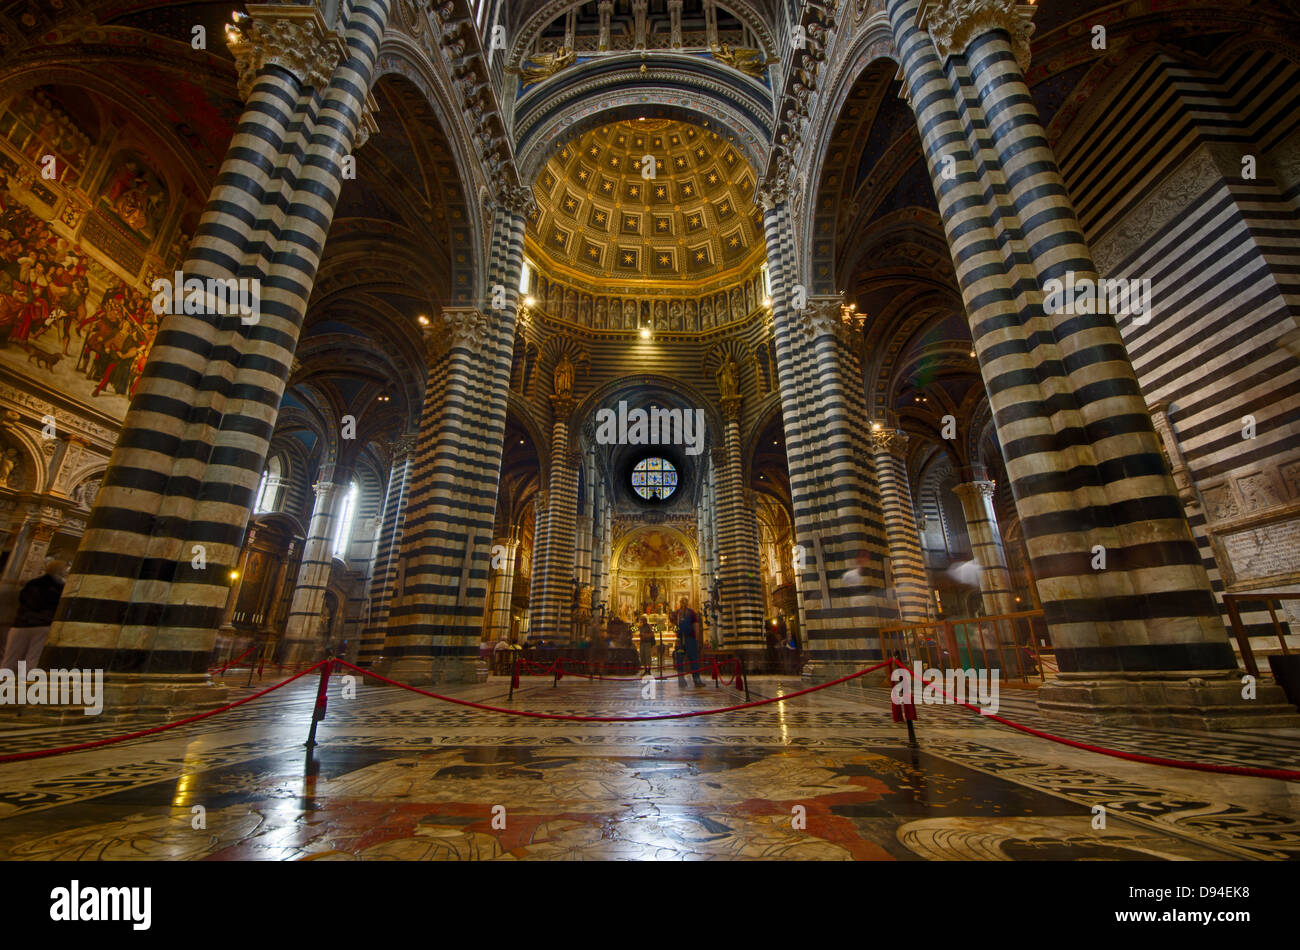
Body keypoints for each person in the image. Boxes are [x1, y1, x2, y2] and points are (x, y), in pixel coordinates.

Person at [0, 557, 68, 673]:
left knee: (10, 658)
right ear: (60, 571)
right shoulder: (60, 587)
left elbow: (23, 599)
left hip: (20, 624)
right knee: (32, 659)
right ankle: (24, 686)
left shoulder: (33, 583)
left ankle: (4, 684)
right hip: (43, 626)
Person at [675, 596, 704, 686]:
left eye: (684, 602)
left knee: (693, 659)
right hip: (681, 641)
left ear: (687, 603)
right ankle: (682, 680)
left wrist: (697, 639)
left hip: (690, 639)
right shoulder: (678, 613)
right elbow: (674, 625)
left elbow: (696, 625)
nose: (683, 604)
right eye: (682, 602)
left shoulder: (691, 613)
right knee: (680, 659)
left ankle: (696, 680)